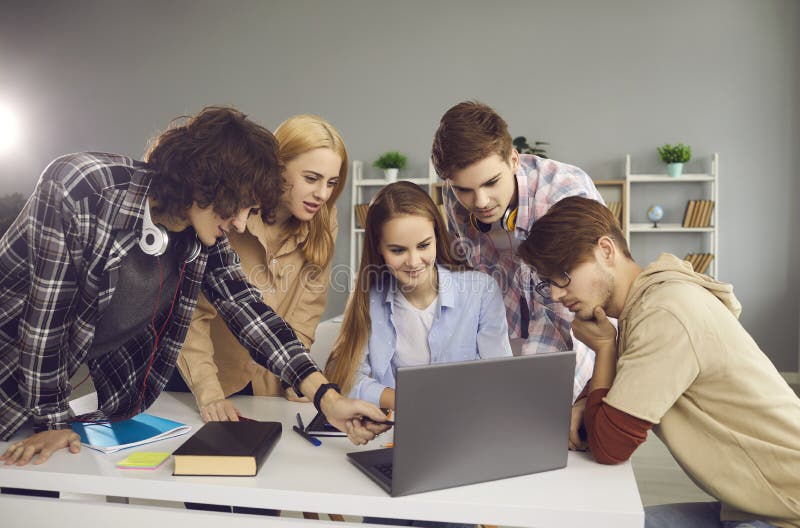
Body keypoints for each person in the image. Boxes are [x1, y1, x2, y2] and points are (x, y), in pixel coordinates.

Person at [0, 106, 388, 469]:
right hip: (14, 374)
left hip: (45, 393)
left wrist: (328, 398)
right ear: (204, 183)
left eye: (249, 211)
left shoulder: (202, 232)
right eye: (237, 207)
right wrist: (51, 418)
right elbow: (45, 318)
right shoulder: (81, 186)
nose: (239, 225)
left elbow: (249, 310)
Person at [517, 196, 800, 528]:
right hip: (746, 505)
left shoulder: (664, 312)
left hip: (784, 511)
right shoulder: (646, 304)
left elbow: (609, 446)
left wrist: (606, 348)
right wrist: (601, 375)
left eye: (562, 274)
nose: (555, 294)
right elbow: (592, 417)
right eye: (547, 282)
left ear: (606, 251)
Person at [431, 100, 605, 439]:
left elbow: (565, 311)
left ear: (513, 159)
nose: (480, 201)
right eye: (464, 189)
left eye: (491, 182)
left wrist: (529, 400)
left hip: (575, 328)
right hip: (511, 333)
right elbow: (479, 286)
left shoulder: (564, 195)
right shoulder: (458, 205)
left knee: (545, 431)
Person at [170, 114, 347, 421]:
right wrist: (209, 392)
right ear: (278, 169)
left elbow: (307, 310)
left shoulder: (324, 221)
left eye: (331, 183)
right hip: (200, 378)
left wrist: (297, 376)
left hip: (268, 379)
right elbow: (192, 313)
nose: (322, 194)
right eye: (311, 178)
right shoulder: (226, 216)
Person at [325, 181, 512, 410]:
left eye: (424, 246)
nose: (413, 262)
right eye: (398, 250)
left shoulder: (481, 291)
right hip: (392, 427)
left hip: (466, 423)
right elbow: (347, 377)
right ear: (379, 249)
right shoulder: (367, 296)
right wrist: (407, 402)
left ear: (436, 237)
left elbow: (499, 378)